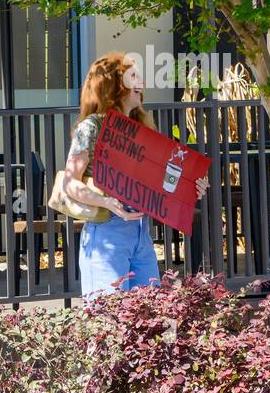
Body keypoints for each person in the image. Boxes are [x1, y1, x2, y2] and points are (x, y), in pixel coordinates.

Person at [63, 53, 209, 297]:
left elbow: (159, 183)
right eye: (132, 76)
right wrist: (106, 201)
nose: (140, 82)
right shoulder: (92, 127)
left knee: (147, 317)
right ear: (113, 85)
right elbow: (70, 183)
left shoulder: (141, 128)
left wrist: (190, 187)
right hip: (107, 231)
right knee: (108, 319)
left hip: (141, 233)